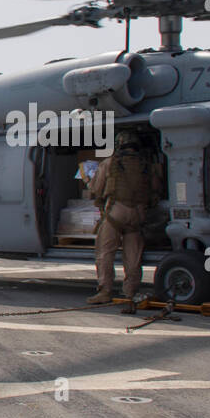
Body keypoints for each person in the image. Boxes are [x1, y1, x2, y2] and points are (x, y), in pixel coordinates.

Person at [88, 129, 164, 313]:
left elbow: (96, 190)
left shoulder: (110, 163)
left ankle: (105, 291)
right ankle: (130, 292)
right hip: (138, 215)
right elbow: (155, 191)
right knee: (133, 256)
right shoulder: (147, 165)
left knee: (105, 252)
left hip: (116, 212)